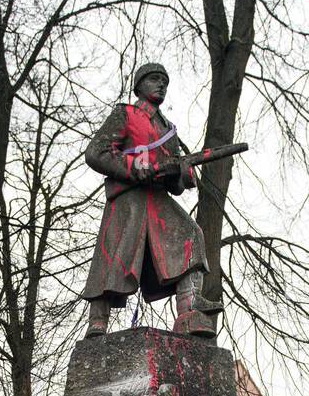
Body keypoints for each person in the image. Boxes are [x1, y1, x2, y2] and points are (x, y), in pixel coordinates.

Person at [80, 62, 222, 339]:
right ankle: (97, 321)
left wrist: (180, 175)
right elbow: (96, 152)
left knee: (190, 234)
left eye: (165, 82)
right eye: (155, 79)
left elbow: (175, 178)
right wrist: (135, 167)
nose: (161, 85)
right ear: (140, 85)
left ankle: (190, 311)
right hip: (129, 199)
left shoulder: (169, 129)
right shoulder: (126, 114)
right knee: (112, 257)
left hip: (157, 200)